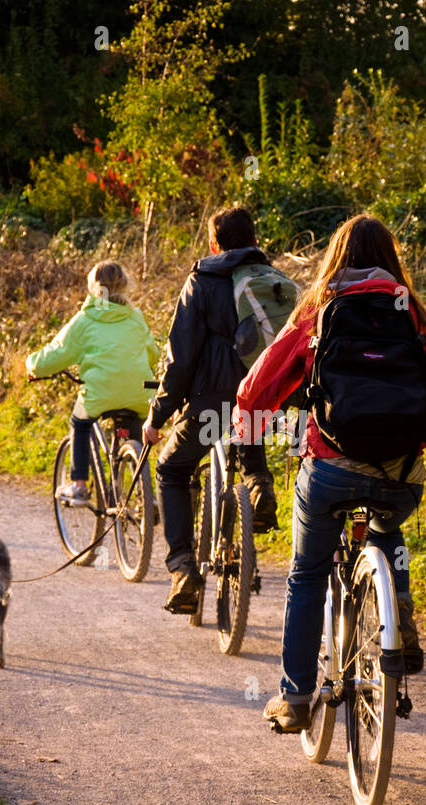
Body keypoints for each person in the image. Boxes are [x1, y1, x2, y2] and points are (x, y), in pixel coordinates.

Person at [234, 215, 426, 732]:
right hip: (400, 474)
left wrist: (258, 425)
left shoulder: (319, 309)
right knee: (386, 527)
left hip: (330, 468)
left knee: (307, 572)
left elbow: (254, 389)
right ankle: (397, 610)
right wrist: (424, 441)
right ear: (391, 258)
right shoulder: (412, 312)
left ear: (336, 256)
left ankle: (294, 698)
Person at [143, 207, 279, 614]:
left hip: (211, 403)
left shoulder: (201, 282)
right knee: (249, 443)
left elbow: (181, 359)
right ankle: (259, 490)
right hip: (261, 399)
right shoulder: (272, 281)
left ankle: (183, 568)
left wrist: (158, 416)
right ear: (254, 238)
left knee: (171, 469)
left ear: (214, 243)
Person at [26, 261, 159, 503]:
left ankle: (79, 485)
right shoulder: (135, 316)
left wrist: (32, 366)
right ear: (125, 284)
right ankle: (145, 494)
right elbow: (153, 353)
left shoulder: (85, 319)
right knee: (136, 427)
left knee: (80, 421)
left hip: (100, 393)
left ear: (93, 287)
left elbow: (57, 353)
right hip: (139, 391)